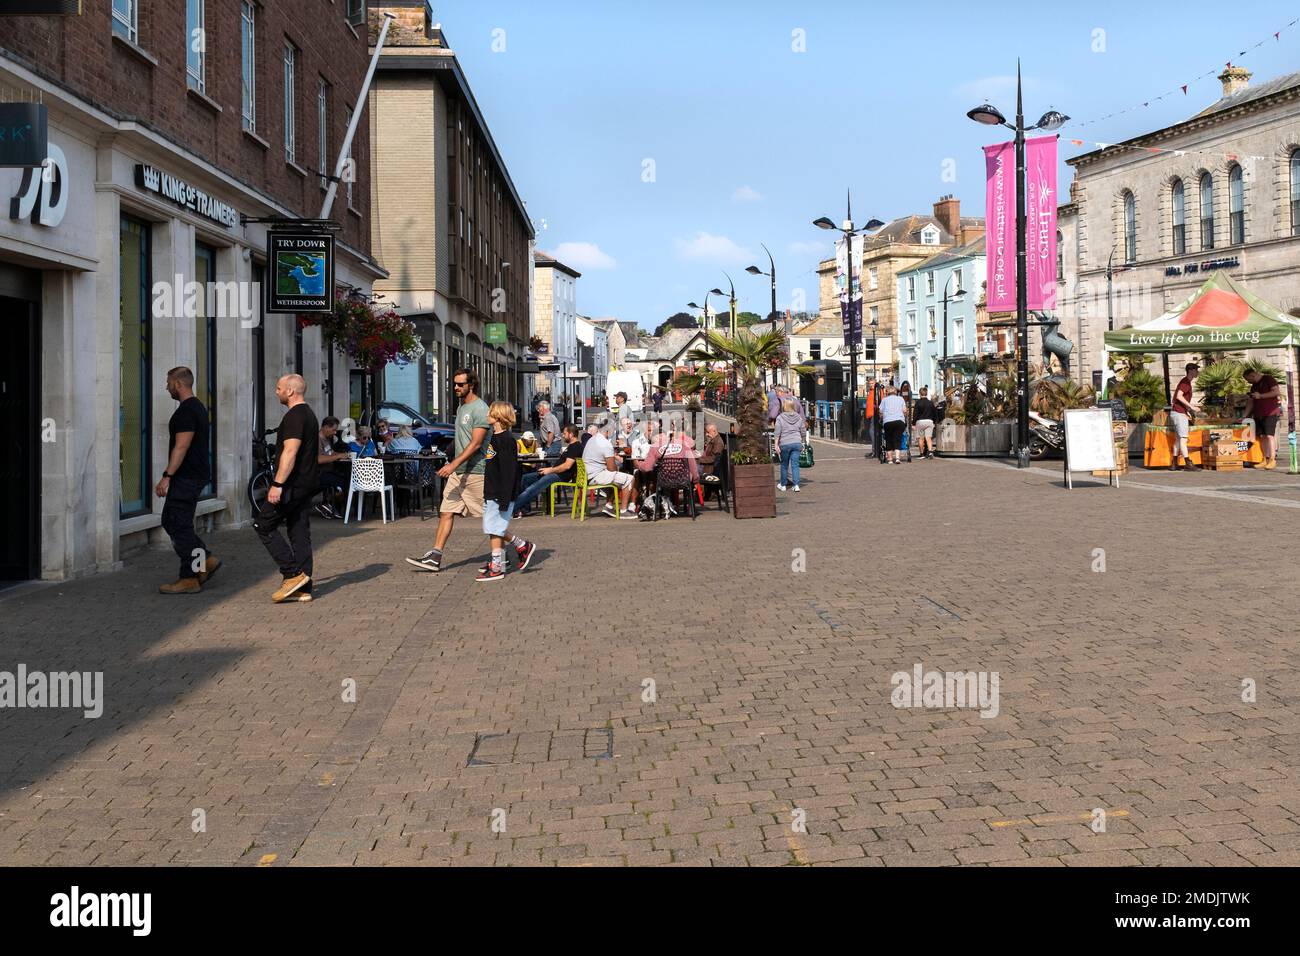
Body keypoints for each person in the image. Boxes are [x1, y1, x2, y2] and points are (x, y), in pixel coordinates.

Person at [406, 368, 498, 573]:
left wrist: (453, 464)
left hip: (475, 472)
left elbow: (475, 444)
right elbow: (461, 440)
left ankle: (519, 545)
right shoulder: (462, 408)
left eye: (460, 384)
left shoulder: (480, 409)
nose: (455, 388)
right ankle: (435, 556)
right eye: (454, 384)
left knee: (489, 517)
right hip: (459, 473)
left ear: (471, 385)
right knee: (446, 512)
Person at [253, 374, 319, 603]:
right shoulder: (308, 414)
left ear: (290, 391)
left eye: (279, 388)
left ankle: (292, 575)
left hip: (291, 485)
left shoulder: (295, 416)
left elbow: (290, 452)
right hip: (305, 484)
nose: (276, 391)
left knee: (263, 524)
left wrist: (277, 484)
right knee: (299, 531)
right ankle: (303, 587)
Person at [157, 366, 218, 594]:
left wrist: (167, 476)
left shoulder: (186, 412)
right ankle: (203, 563)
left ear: (178, 383)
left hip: (186, 476)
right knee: (176, 522)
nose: (166, 387)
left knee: (176, 523)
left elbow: (182, 446)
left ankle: (191, 576)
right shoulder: (198, 408)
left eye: (168, 382)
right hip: (194, 475)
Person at [478, 401, 538, 581]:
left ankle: (498, 565)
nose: (487, 414)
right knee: (493, 527)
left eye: (490, 411)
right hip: (491, 491)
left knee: (494, 528)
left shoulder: (507, 440)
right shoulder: (494, 437)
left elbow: (509, 471)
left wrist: (504, 498)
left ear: (498, 416)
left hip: (499, 493)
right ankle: (520, 546)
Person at [515, 423, 583, 516]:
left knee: (533, 488)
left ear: (571, 434)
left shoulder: (575, 447)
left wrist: (550, 470)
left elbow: (567, 466)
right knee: (525, 478)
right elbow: (562, 464)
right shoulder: (571, 446)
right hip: (555, 472)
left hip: (561, 476)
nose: (563, 436)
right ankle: (525, 509)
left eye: (564, 433)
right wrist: (549, 468)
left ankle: (511, 509)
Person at [583, 422, 636, 518]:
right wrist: (618, 469)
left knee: (616, 477)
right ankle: (624, 511)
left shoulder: (591, 439)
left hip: (586, 475)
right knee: (630, 478)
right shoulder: (605, 444)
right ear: (609, 430)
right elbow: (612, 468)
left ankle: (609, 505)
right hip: (595, 476)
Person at [1244, 367, 1281, 470]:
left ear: (1253, 375)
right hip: (1258, 414)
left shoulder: (1268, 379)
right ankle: (1264, 458)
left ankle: (1272, 459)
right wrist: (1244, 415)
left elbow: (1276, 392)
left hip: (1270, 413)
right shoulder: (1254, 386)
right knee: (1262, 436)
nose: (1248, 382)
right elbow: (1251, 402)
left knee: (1269, 435)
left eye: (1249, 379)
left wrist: (1261, 396)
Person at [316, 415, 351, 519]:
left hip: (329, 471)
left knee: (347, 478)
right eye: (334, 430)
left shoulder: (326, 439)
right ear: (326, 427)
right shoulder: (317, 440)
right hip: (319, 473)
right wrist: (339, 456)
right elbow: (319, 459)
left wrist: (343, 454)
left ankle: (329, 504)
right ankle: (329, 504)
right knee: (344, 483)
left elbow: (330, 453)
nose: (335, 433)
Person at [1170, 362, 1202, 472]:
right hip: (1178, 413)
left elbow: (1179, 398)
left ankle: (1174, 464)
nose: (1198, 372)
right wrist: (1191, 407)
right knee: (1183, 439)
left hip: (1178, 412)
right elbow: (1179, 396)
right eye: (1196, 370)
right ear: (1191, 370)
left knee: (1178, 439)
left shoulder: (1186, 382)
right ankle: (1188, 463)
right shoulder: (1186, 383)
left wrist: (1186, 411)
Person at [774, 399, 806, 492]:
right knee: (795, 465)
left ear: (784, 406)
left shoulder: (780, 417)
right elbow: (803, 430)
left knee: (784, 464)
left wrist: (776, 444)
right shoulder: (798, 417)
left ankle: (783, 485)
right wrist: (803, 440)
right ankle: (796, 485)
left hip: (785, 443)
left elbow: (777, 432)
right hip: (796, 443)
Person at [880, 386, 908, 464]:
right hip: (899, 421)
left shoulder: (884, 400)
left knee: (888, 439)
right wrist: (904, 417)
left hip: (888, 421)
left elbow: (881, 411)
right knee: (897, 439)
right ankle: (898, 458)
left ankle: (890, 459)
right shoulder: (901, 399)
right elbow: (905, 411)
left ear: (888, 392)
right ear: (896, 392)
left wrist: (882, 418)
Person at [912, 386, 938, 460]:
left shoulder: (918, 403)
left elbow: (915, 414)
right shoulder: (930, 403)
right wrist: (934, 421)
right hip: (929, 421)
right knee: (928, 438)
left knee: (921, 438)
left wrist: (913, 423)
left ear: (920, 394)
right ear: (926, 393)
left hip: (920, 422)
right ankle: (930, 452)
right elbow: (934, 413)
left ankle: (921, 454)